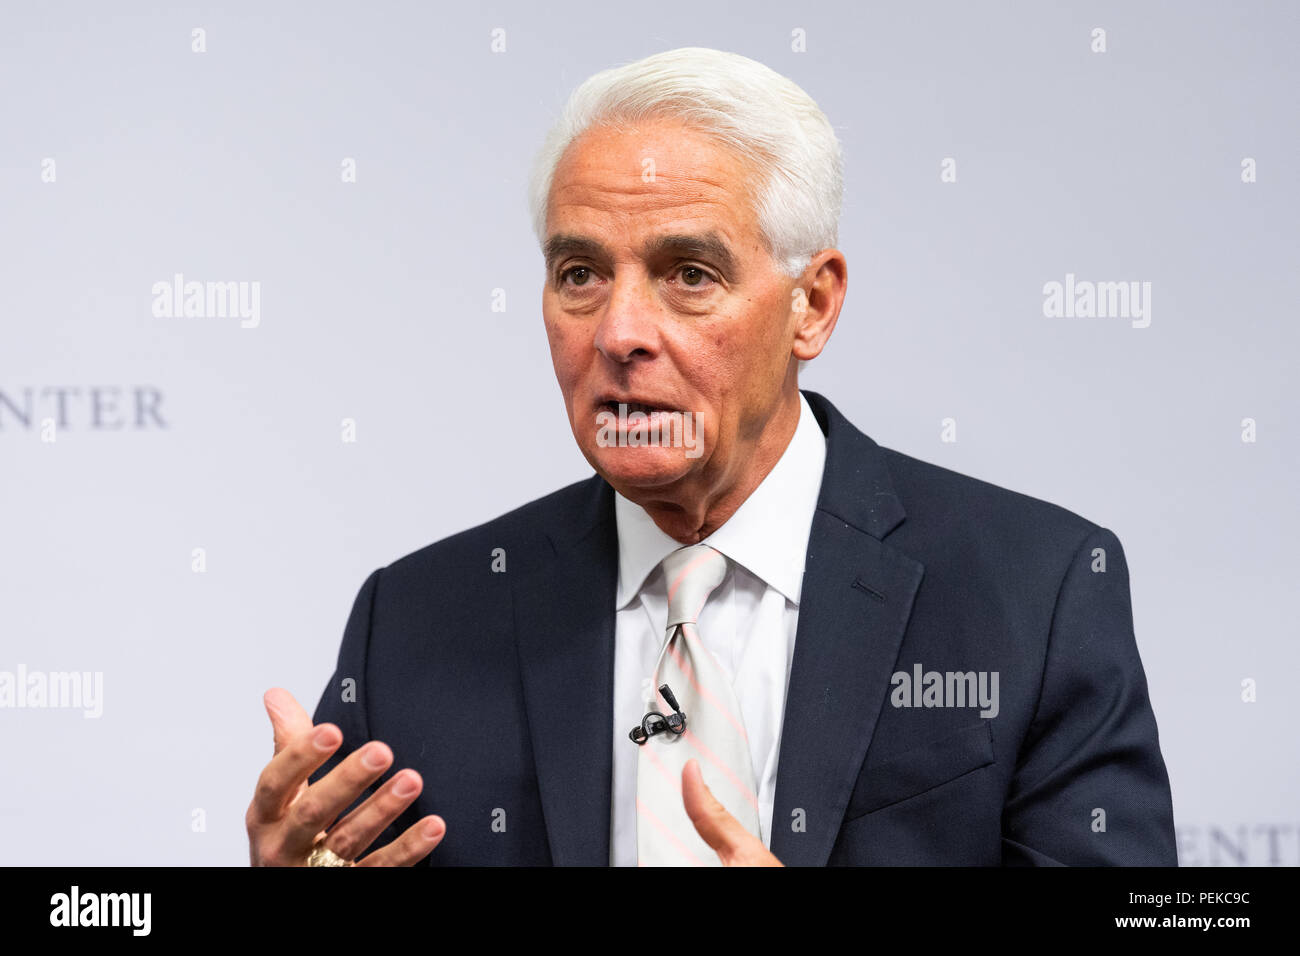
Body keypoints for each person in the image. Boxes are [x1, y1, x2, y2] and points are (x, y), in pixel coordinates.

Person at [245, 47, 1176, 867]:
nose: (618, 333)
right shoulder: (413, 623)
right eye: (580, 275)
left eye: (689, 274)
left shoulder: (1035, 593)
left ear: (812, 305)